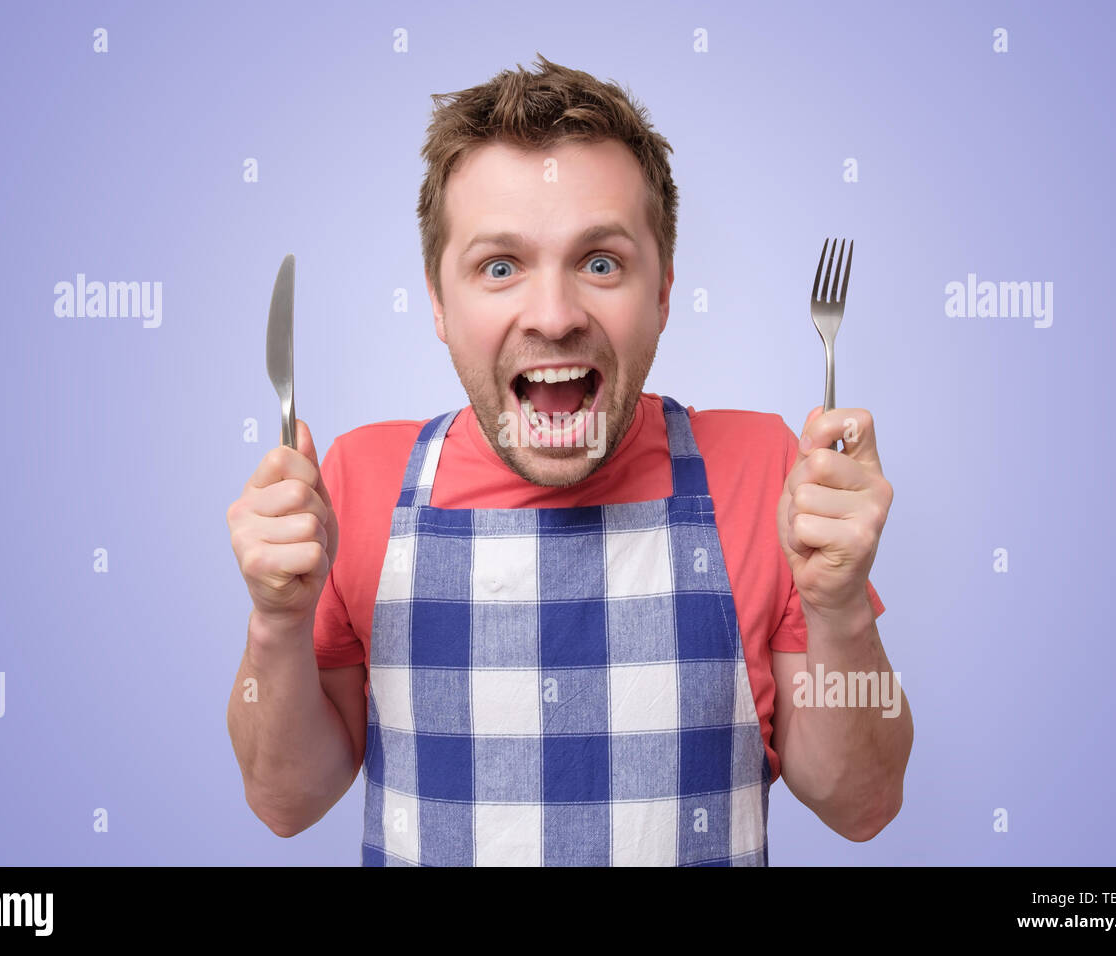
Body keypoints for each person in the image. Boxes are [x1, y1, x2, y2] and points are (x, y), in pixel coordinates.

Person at [226, 53, 912, 866]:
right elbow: (285, 801)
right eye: (500, 266)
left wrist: (838, 611)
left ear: (662, 294)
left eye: (600, 263)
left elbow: (862, 805)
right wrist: (277, 622)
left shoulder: (767, 472)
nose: (553, 317)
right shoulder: (358, 483)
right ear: (440, 304)